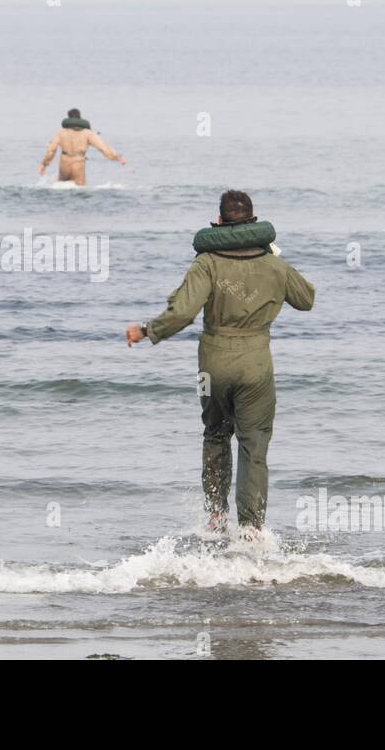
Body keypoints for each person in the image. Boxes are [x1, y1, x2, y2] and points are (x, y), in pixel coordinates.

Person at [126, 190, 315, 534]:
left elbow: (182, 312)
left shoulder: (207, 263)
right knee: (254, 443)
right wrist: (274, 254)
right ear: (253, 222)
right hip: (257, 364)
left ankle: (216, 517)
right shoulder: (274, 264)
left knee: (215, 434)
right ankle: (252, 530)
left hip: (211, 364)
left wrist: (146, 331)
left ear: (219, 221)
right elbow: (306, 299)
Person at [39, 109, 126, 186]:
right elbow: (103, 148)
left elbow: (51, 150)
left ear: (68, 118)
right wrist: (117, 157)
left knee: (62, 189)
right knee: (80, 193)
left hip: (64, 164)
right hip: (78, 164)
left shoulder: (61, 133)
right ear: (80, 117)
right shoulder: (88, 133)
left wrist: (44, 164)